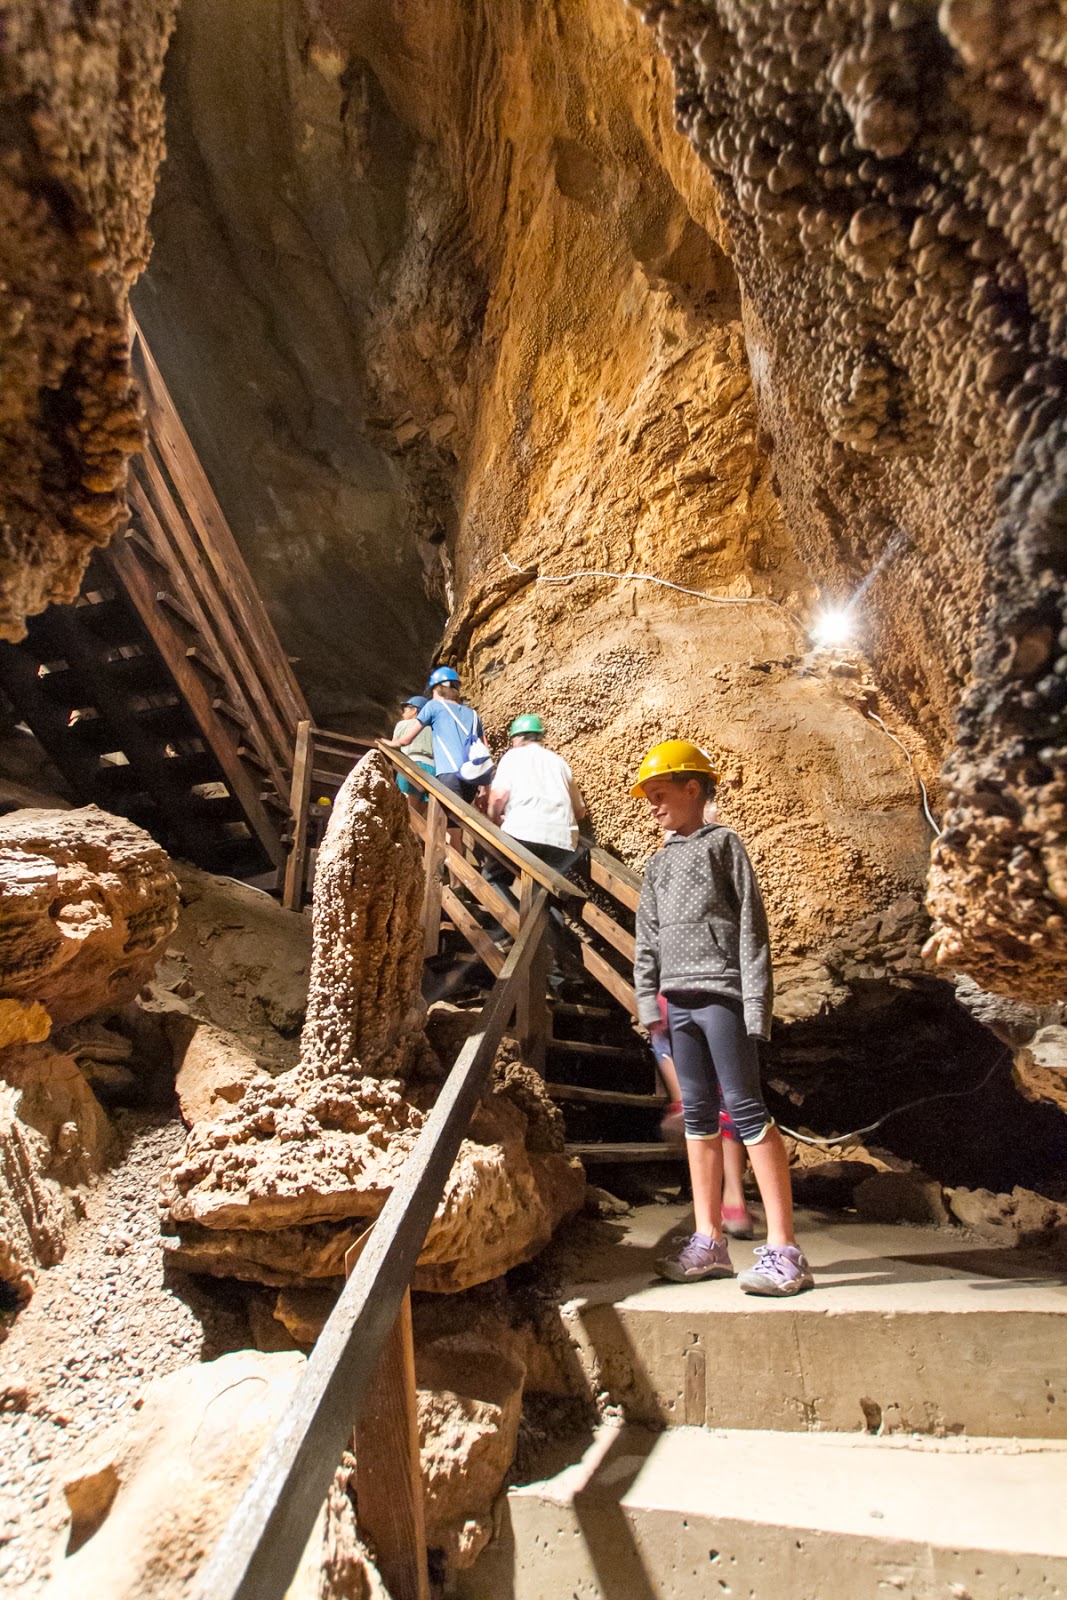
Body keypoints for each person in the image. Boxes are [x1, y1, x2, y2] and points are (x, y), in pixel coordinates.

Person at [631, 739, 812, 1296]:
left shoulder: (725, 845)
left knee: (748, 1110)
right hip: (677, 1003)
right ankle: (708, 1241)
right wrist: (647, 1004)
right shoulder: (658, 864)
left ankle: (786, 1251)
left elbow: (751, 930)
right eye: (649, 798)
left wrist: (756, 1005)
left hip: (722, 997)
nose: (654, 806)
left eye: (661, 794)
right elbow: (648, 938)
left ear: (694, 789)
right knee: (698, 1117)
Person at [652, 993, 755, 1240]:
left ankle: (682, 1101)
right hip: (720, 995)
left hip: (679, 993)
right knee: (727, 1101)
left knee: (660, 1036)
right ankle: (734, 1203)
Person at [386, 665, 492, 804]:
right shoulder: (473, 715)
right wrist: (485, 790)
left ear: (439, 689)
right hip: (471, 778)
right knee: (458, 821)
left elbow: (405, 740)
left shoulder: (433, 706)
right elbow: (485, 751)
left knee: (442, 821)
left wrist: (390, 743)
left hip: (448, 775)